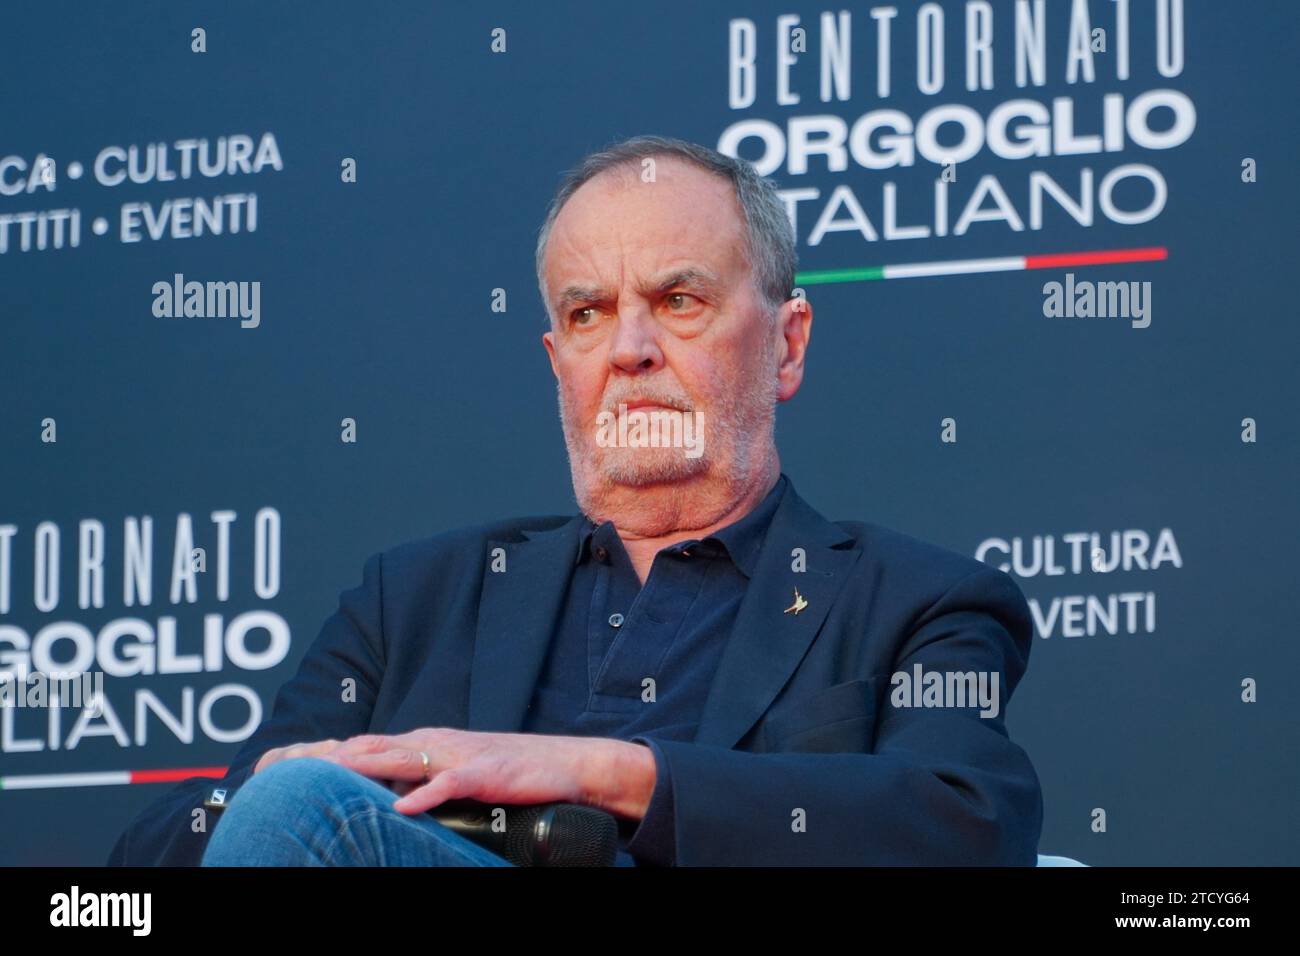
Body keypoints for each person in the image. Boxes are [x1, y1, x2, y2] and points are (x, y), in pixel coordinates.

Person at [108, 135, 1042, 867]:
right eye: (588, 314)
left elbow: (969, 830)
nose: (628, 349)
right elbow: (161, 857)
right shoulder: (414, 600)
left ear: (787, 345)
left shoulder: (917, 601)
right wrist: (267, 784)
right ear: (560, 365)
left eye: (679, 300)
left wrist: (604, 775)